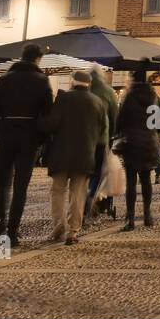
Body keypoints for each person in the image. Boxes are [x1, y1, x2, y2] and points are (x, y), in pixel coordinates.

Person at [0, 43, 54, 246]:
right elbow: (47, 114)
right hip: (29, 137)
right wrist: (41, 139)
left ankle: (0, 223)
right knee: (20, 186)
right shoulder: (42, 81)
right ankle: (13, 231)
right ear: (37, 59)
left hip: (6, 133)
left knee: (2, 183)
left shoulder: (4, 79)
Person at [41, 68, 106, 245]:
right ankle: (73, 231)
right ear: (89, 84)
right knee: (78, 194)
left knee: (58, 192)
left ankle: (58, 226)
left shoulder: (63, 99)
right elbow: (102, 129)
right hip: (85, 155)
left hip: (61, 154)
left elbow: (51, 124)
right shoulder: (97, 102)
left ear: (72, 81)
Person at [115, 65, 160, 231]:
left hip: (133, 144)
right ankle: (148, 215)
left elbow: (119, 122)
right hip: (149, 142)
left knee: (131, 182)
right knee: (146, 180)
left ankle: (131, 218)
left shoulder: (130, 97)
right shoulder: (153, 96)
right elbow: (157, 122)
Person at [85, 64, 118, 219]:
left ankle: (84, 196)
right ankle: (92, 195)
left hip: (84, 139)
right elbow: (114, 116)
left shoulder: (86, 88)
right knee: (100, 171)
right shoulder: (108, 91)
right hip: (101, 139)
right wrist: (112, 136)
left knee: (85, 171)